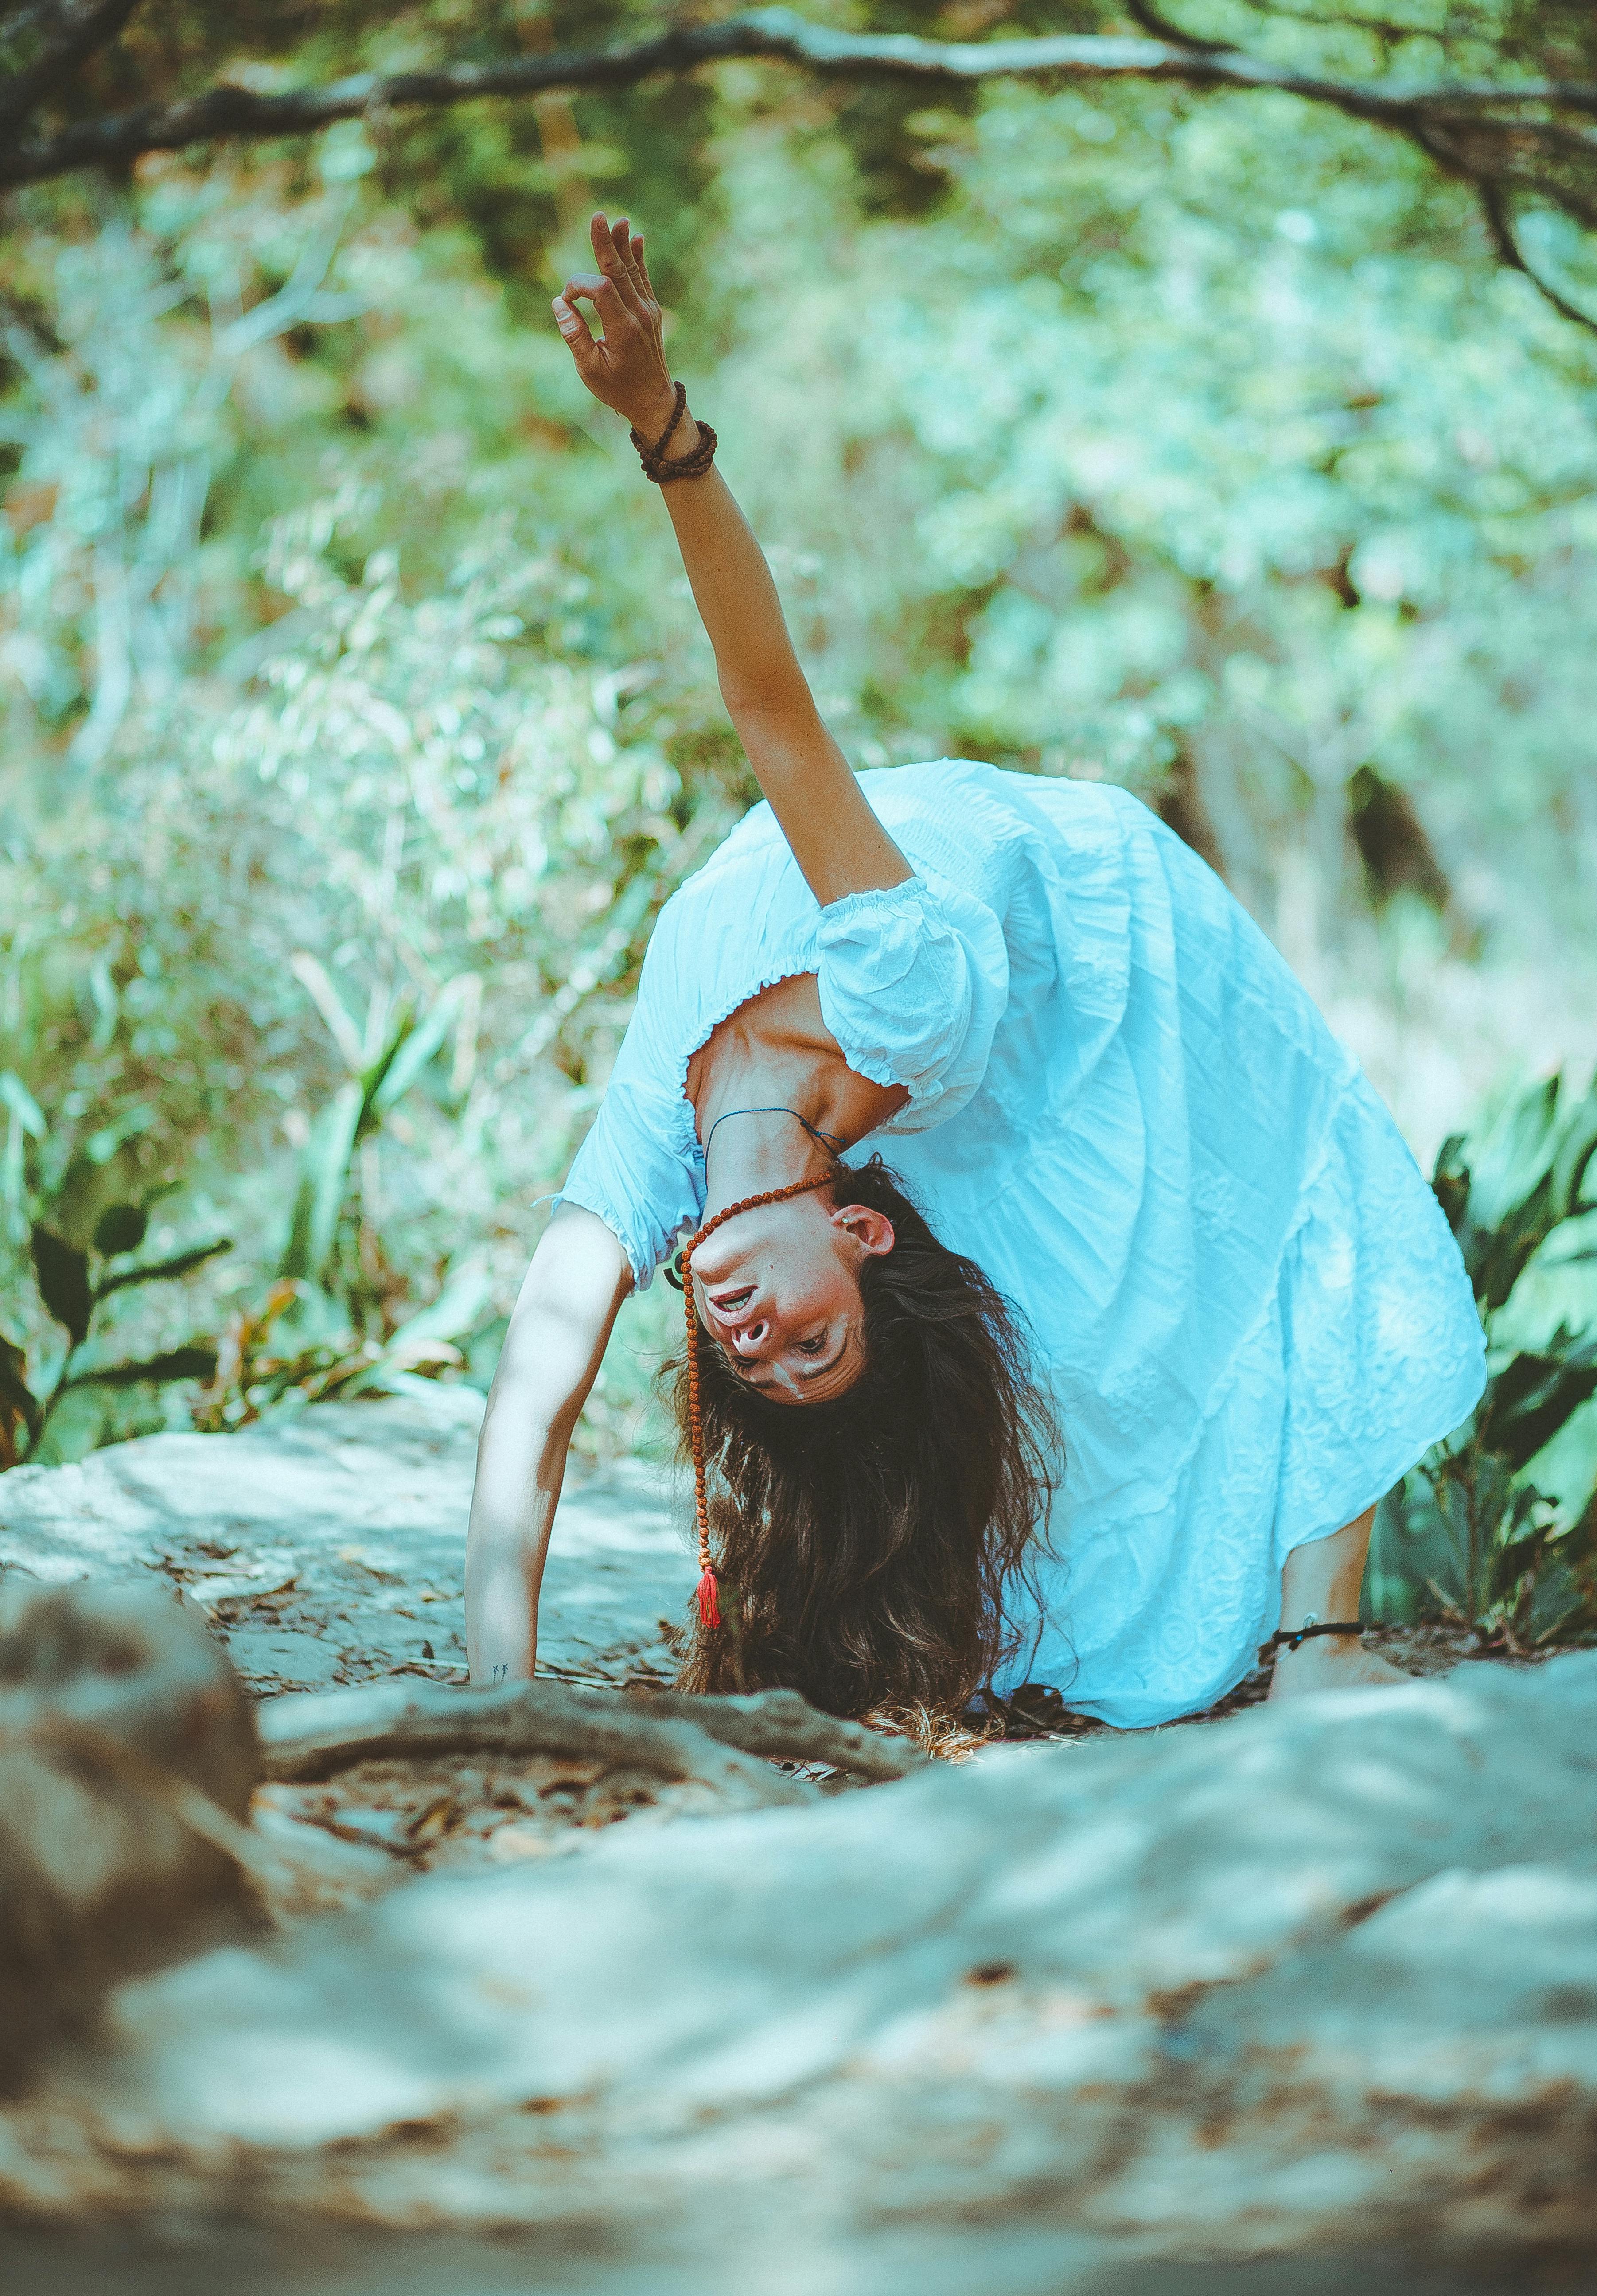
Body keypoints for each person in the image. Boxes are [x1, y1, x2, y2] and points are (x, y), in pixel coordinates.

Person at [463, 212, 1485, 1728]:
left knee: (1287, 1176)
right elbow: (774, 713)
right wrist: (514, 1706)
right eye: (811, 1344)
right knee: (1187, 1254)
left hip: (1086, 955)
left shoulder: (654, 1145)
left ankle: (1318, 1632)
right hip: (1075, 942)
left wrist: (501, 1684)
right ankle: (1238, 1633)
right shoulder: (900, 1005)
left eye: (759, 1361)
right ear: (859, 1236)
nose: (754, 1340)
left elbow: (533, 1397)